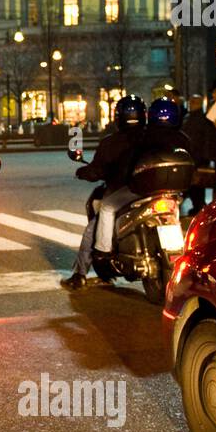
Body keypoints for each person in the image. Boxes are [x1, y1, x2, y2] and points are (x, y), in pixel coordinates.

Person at [61, 94, 146, 290]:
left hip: (122, 193)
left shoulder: (111, 142)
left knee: (93, 229)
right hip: (151, 190)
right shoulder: (151, 137)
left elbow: (97, 170)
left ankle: (81, 273)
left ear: (118, 117)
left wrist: (82, 171)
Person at [181, 94, 213, 213]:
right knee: (196, 185)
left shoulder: (198, 119)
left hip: (196, 157)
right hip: (195, 156)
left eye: (193, 102)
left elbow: (202, 140)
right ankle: (198, 206)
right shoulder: (193, 118)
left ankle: (198, 207)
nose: (191, 104)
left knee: (196, 185)